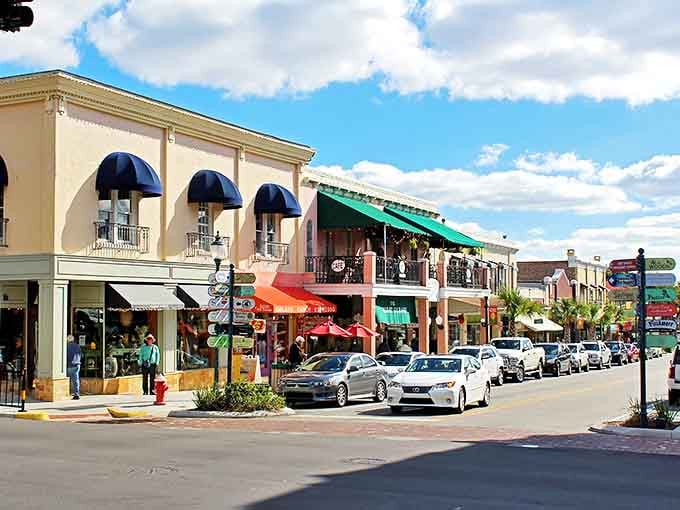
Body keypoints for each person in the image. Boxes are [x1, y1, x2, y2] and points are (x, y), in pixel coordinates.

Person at [66, 335, 82, 400]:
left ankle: (66, 393)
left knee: (65, 379)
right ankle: (76, 394)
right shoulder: (77, 346)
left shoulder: (65, 346)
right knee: (76, 380)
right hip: (77, 365)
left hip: (69, 365)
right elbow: (81, 354)